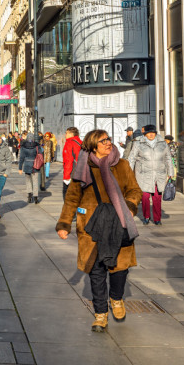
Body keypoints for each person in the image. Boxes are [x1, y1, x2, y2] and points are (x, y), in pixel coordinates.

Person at [56, 129, 142, 332]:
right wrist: (64, 223)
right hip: (91, 226)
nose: (108, 143)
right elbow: (72, 198)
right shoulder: (83, 168)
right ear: (93, 146)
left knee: (120, 269)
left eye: (109, 139)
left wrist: (130, 205)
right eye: (103, 141)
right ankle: (100, 314)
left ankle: (116, 298)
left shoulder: (122, 165)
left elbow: (134, 189)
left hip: (118, 223)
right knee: (96, 272)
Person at [127, 124, 174, 225]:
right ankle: (146, 216)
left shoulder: (162, 143)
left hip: (159, 174)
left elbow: (168, 158)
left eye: (153, 133)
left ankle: (157, 219)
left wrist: (171, 172)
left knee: (157, 198)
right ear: (145, 134)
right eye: (149, 133)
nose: (151, 135)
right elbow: (132, 158)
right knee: (144, 197)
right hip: (143, 174)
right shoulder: (138, 143)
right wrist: (129, 172)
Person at [18, 133, 44, 204]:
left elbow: (21, 158)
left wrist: (20, 168)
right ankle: (35, 198)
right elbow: (41, 153)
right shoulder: (37, 146)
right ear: (33, 138)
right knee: (35, 182)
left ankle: (29, 196)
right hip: (35, 165)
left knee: (28, 181)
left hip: (27, 165)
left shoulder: (23, 146)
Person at [62, 127, 82, 199]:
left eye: (66, 133)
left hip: (72, 173)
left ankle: (69, 210)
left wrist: (66, 176)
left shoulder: (69, 143)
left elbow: (68, 160)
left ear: (71, 134)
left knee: (67, 195)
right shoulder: (80, 142)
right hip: (80, 173)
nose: (65, 135)